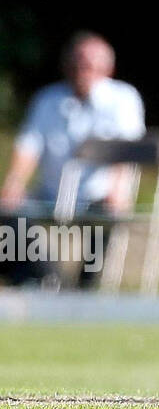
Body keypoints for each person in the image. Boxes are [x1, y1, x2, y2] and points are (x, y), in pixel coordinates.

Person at [0, 32, 144, 286]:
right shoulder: (48, 100)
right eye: (77, 63)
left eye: (89, 64)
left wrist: (118, 189)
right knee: (7, 212)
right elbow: (28, 147)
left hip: (99, 197)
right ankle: (45, 278)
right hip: (50, 194)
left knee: (106, 215)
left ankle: (85, 289)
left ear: (107, 67)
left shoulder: (123, 98)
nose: (82, 70)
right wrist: (14, 183)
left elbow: (127, 149)